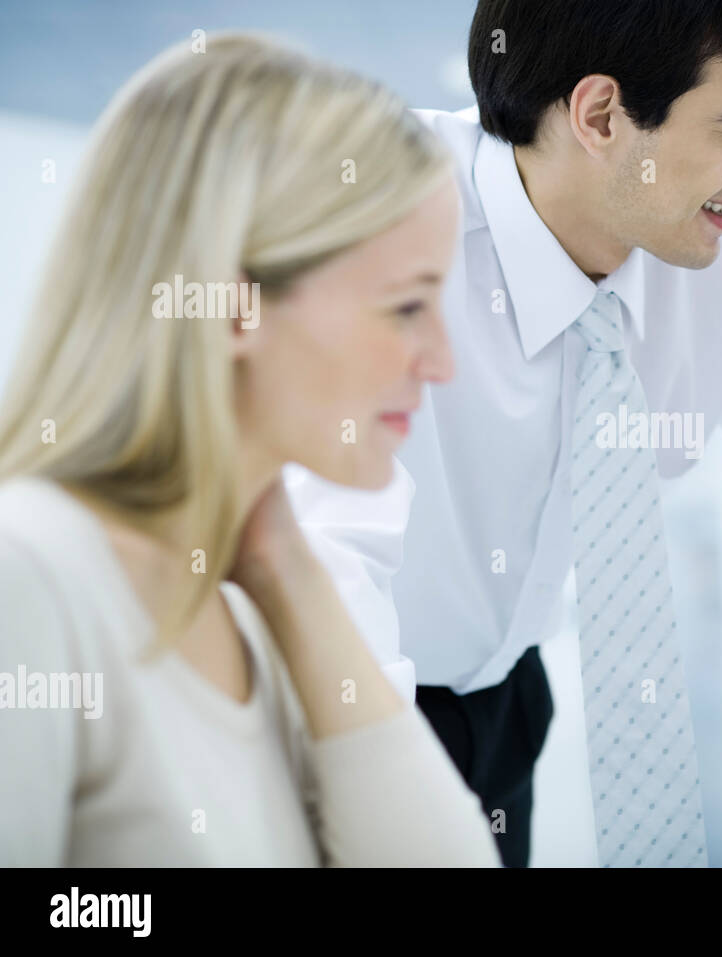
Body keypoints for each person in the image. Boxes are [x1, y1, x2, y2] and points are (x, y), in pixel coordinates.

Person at [284, 0, 722, 867]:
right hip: (328, 712)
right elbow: (322, 577)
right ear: (600, 115)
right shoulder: (380, 231)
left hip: (502, 710)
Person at [0, 33, 500, 866]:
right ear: (236, 310)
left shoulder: (251, 603)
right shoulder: (30, 573)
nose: (442, 363)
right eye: (408, 307)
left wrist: (289, 571)